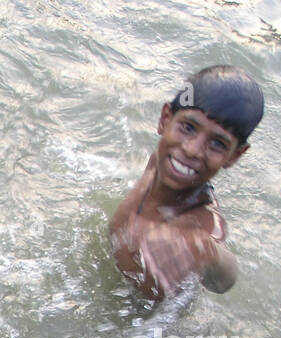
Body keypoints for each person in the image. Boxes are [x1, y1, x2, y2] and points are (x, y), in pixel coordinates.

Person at [110, 66, 263, 300]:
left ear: (234, 155)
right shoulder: (159, 163)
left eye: (218, 144)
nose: (192, 149)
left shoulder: (199, 223)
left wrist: (204, 250)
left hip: (148, 323)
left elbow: (225, 278)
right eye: (188, 127)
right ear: (165, 119)